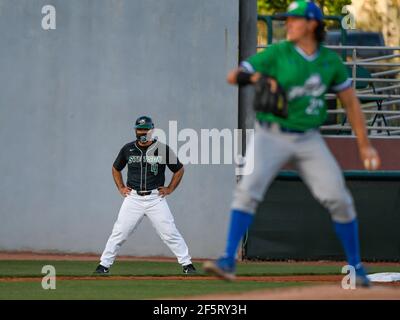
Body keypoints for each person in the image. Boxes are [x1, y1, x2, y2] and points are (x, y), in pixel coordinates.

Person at [204, 0, 380, 286]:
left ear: (312, 24)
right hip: (270, 135)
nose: (287, 23)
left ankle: (357, 267)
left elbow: (350, 102)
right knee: (247, 191)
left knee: (339, 198)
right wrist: (259, 76)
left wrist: (364, 145)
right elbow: (233, 75)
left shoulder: (329, 62)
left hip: (309, 139)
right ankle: (227, 259)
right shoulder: (277, 53)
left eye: (294, 19)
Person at [94, 116, 196, 274]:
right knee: (119, 232)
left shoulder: (162, 148)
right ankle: (104, 265)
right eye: (140, 129)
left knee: (169, 232)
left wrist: (169, 188)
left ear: (152, 130)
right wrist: (121, 187)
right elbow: (116, 168)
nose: (143, 132)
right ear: (135, 130)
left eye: (146, 129)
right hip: (133, 198)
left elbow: (179, 169)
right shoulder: (128, 149)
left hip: (155, 198)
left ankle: (187, 264)